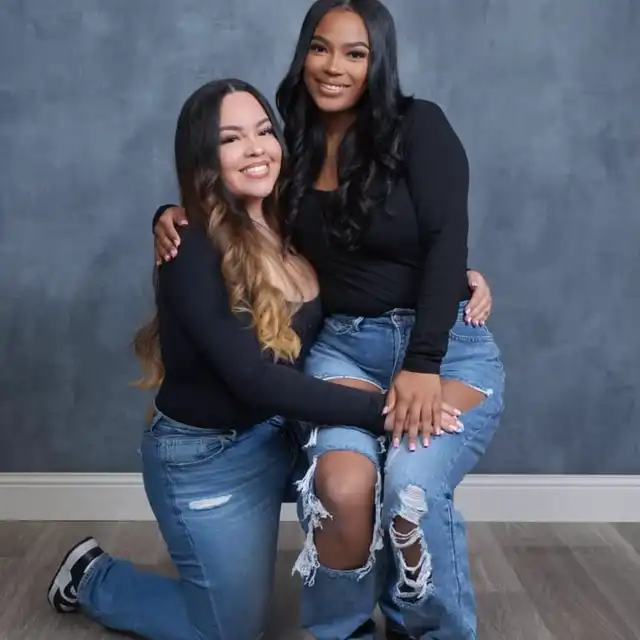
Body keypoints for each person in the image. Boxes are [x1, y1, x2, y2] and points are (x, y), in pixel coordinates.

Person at [152, 1, 504, 639]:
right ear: (303, 53)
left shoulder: (420, 126)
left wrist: (429, 347)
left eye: (355, 53)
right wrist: (173, 213)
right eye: (320, 47)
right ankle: (341, 631)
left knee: (409, 495)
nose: (333, 66)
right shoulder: (291, 141)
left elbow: (444, 239)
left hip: (440, 346)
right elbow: (241, 208)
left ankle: (430, 629)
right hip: (341, 352)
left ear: (378, 61)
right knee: (340, 491)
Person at [46, 78, 425, 640]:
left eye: (264, 131)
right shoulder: (191, 247)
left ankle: (385, 621)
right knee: (228, 631)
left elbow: (379, 262)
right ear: (204, 158)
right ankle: (92, 576)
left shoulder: (291, 216)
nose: (255, 149)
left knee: (372, 481)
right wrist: (383, 411)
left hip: (283, 428)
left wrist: (456, 281)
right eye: (230, 139)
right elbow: (254, 379)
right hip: (208, 457)